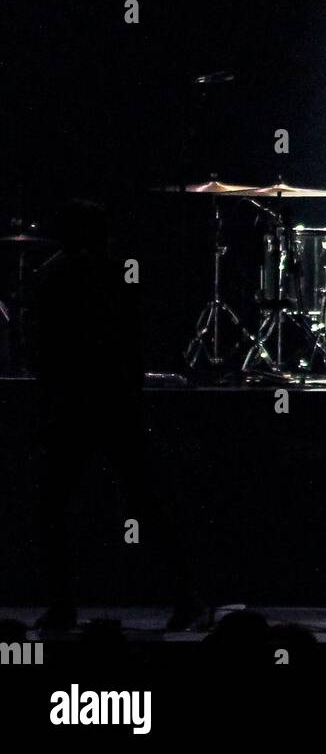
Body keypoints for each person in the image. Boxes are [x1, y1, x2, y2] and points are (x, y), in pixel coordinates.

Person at [31, 199, 205, 632]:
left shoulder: (58, 273)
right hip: (111, 402)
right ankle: (186, 597)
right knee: (143, 501)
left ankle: (63, 604)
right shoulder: (117, 270)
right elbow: (137, 330)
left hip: (79, 403)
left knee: (58, 506)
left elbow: (42, 345)